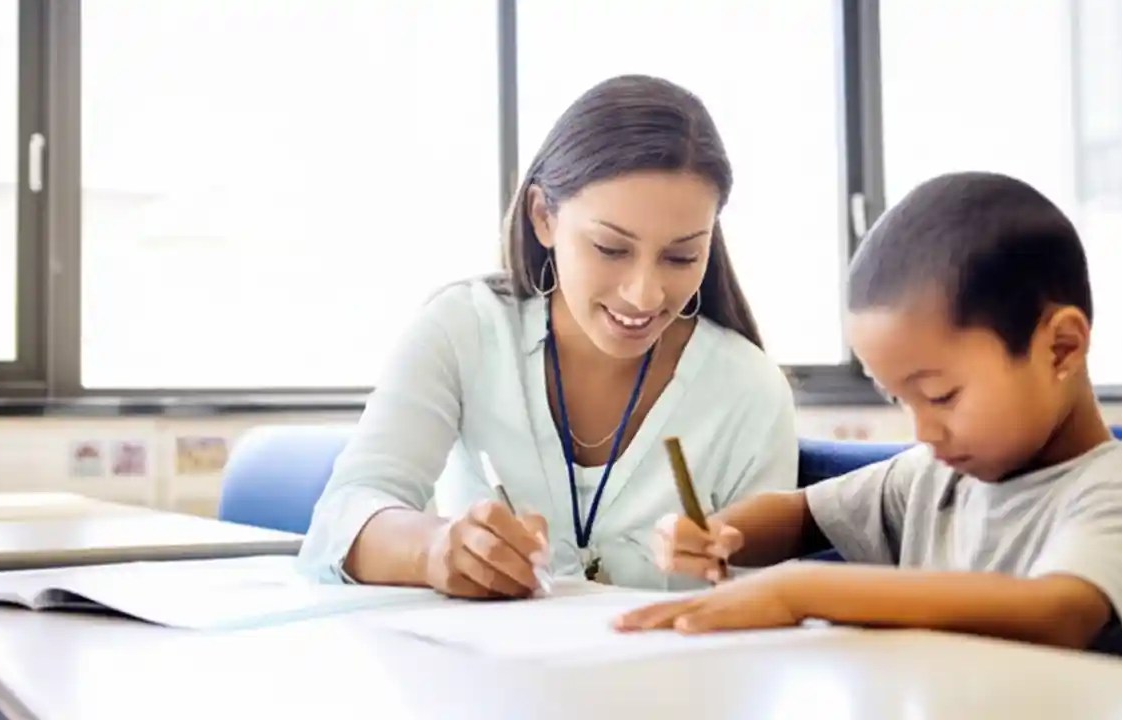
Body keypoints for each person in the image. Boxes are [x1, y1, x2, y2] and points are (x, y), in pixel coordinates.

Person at [619, 171, 1122, 665]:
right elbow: (800, 515)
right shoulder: (934, 476)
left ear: (1061, 348)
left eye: (941, 395)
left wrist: (806, 588)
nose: (921, 432)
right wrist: (721, 533)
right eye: (898, 400)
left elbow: (1058, 613)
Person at [296, 74, 798, 597]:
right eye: (610, 248)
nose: (644, 295)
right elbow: (340, 520)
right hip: (488, 674)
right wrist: (437, 549)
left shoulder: (749, 389)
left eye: (681, 256)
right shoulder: (463, 329)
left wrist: (727, 567)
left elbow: (764, 603)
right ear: (543, 217)